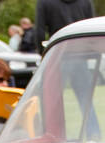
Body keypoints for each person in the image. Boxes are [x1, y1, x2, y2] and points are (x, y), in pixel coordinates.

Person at [36, 0, 99, 135]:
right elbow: (92, 27)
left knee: (51, 97)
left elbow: (40, 31)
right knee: (85, 97)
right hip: (80, 53)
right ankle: (93, 132)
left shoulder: (44, 2)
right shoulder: (85, 2)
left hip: (58, 54)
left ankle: (52, 134)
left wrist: (42, 54)